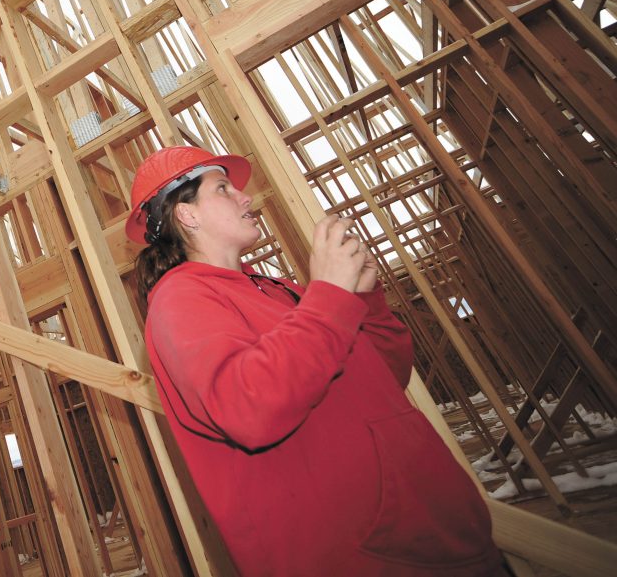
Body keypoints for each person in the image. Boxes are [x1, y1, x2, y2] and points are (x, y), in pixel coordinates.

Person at [129, 146, 503, 576]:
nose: (245, 197)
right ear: (186, 214)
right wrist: (328, 297)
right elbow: (249, 407)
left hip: (437, 537)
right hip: (362, 558)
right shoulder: (181, 299)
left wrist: (363, 301)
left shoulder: (276, 289)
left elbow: (383, 379)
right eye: (223, 188)